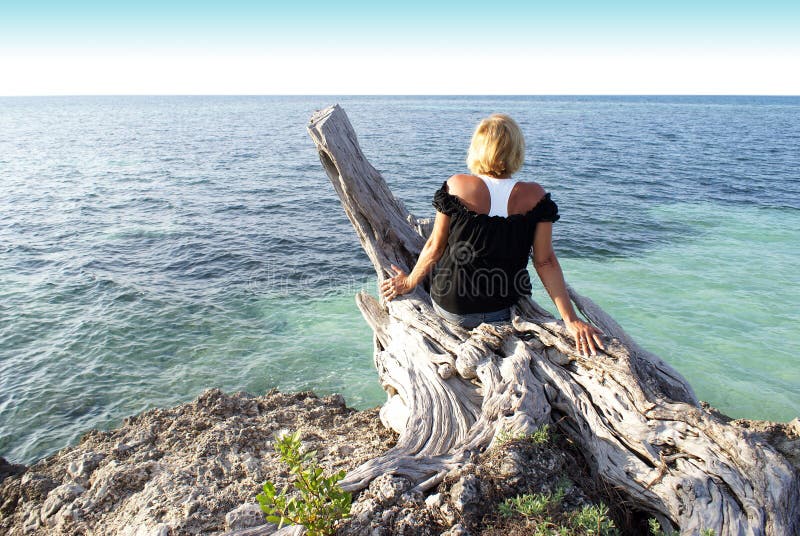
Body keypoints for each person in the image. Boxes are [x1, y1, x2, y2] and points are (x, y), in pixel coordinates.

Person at [380, 113, 604, 356]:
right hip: (501, 312)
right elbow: (545, 261)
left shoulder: (457, 186)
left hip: (451, 306)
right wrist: (570, 319)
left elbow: (435, 245)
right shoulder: (534, 196)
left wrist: (409, 282)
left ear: (478, 148)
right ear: (516, 150)